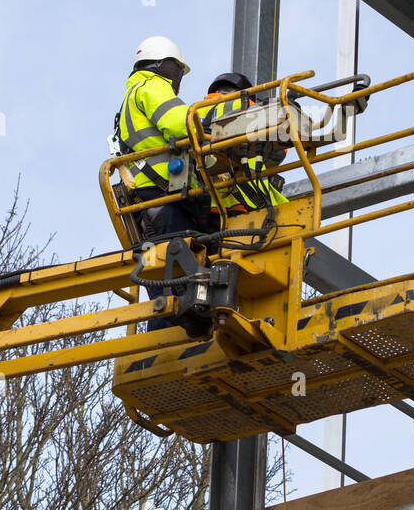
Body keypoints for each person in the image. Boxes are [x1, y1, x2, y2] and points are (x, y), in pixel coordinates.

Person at [115, 36, 203, 330]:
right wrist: (216, 123)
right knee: (176, 281)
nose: (179, 77)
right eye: (177, 69)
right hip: (162, 199)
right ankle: (174, 339)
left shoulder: (130, 97)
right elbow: (181, 124)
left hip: (147, 203)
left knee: (163, 277)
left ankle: (160, 348)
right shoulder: (152, 86)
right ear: (163, 65)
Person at [197, 71, 289, 216]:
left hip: (204, 205)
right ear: (248, 95)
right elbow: (277, 154)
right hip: (248, 202)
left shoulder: (194, 113)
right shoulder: (247, 107)